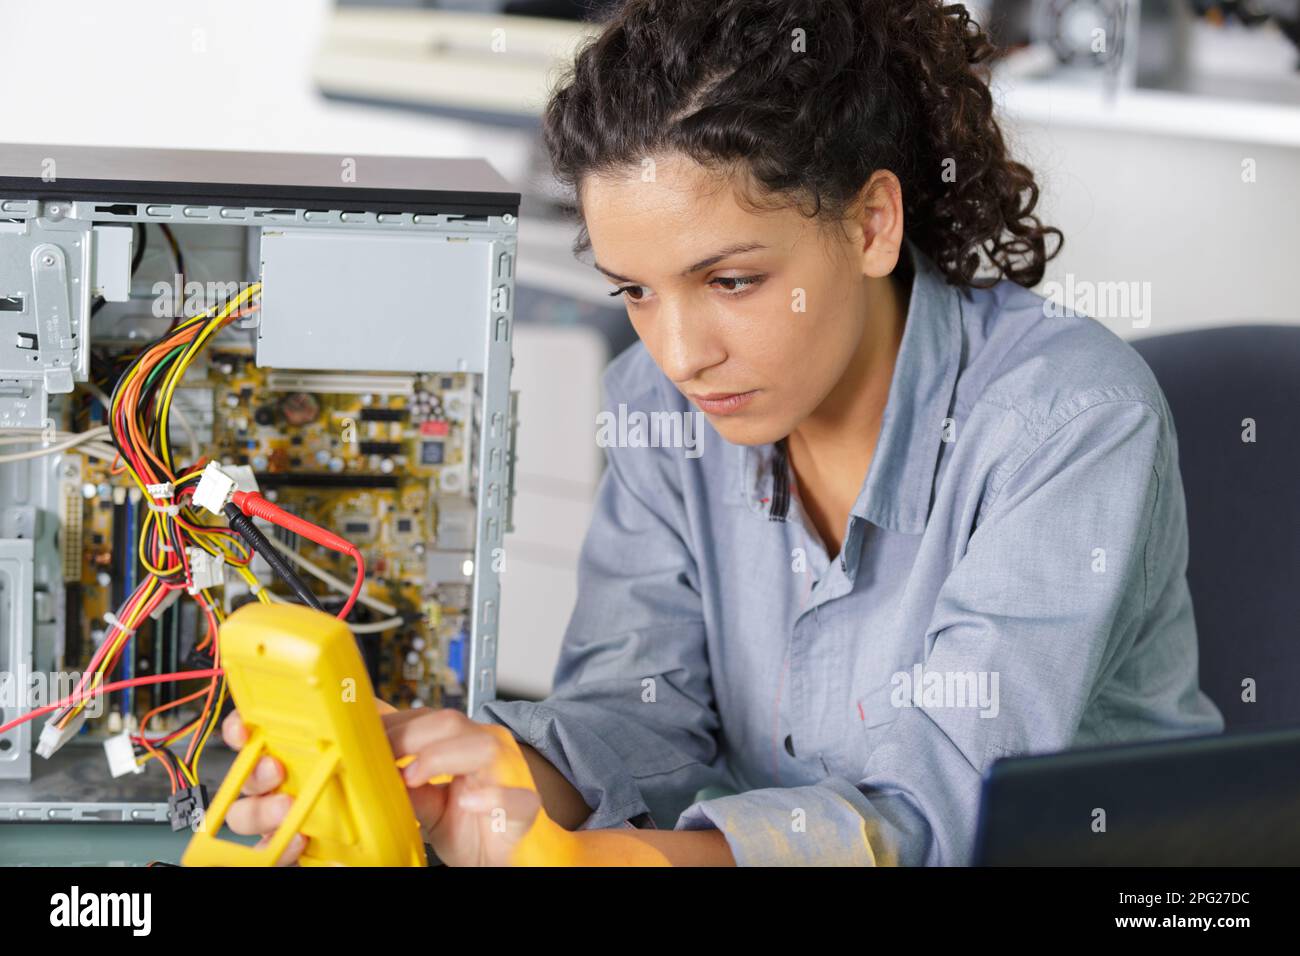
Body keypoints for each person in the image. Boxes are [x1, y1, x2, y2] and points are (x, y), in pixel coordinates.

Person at [220, 0, 1224, 866]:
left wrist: (602, 857)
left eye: (731, 281)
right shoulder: (658, 409)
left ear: (874, 222)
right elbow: (641, 713)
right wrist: (488, 775)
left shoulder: (1068, 422)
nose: (678, 352)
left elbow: (935, 820)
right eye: (636, 293)